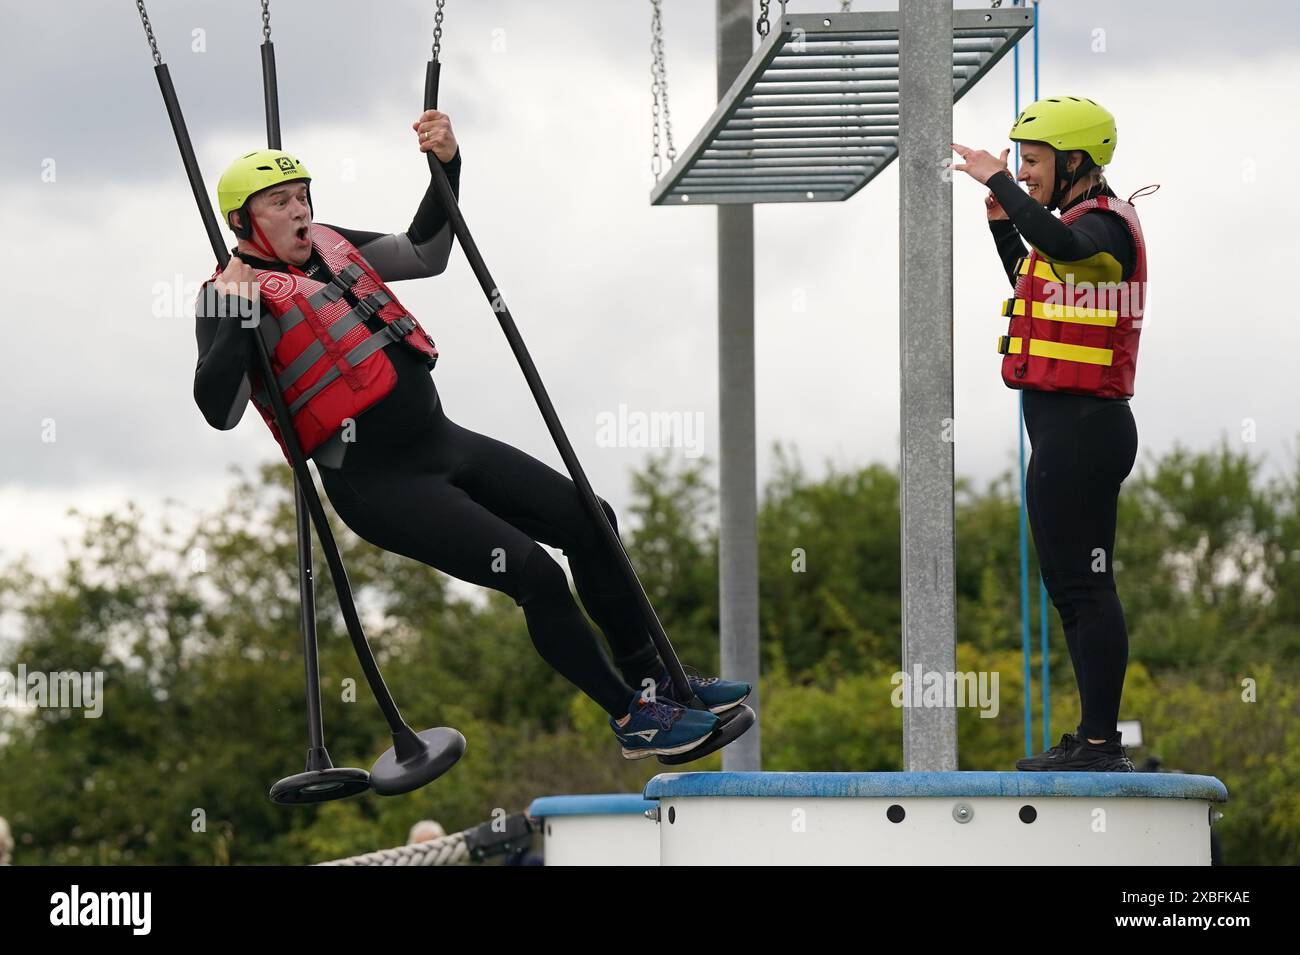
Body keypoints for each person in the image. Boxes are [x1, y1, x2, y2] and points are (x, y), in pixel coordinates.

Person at [192, 110, 749, 761]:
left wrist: (448, 164)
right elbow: (219, 408)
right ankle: (633, 717)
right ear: (241, 220)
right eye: (280, 202)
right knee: (535, 574)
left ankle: (659, 679)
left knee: (591, 519)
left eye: (303, 196)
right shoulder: (227, 296)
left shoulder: (333, 245)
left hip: (442, 443)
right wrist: (233, 315)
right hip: (379, 485)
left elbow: (427, 251)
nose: (299, 211)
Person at [952, 96, 1154, 772]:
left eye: (1032, 163)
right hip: (1065, 434)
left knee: (1088, 587)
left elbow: (1063, 245)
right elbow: (1034, 280)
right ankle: (1092, 735)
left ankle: (1101, 743)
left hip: (1084, 431)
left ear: (1075, 163)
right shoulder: (1073, 228)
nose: (1024, 172)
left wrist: (996, 181)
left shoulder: (1107, 228)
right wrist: (1004, 223)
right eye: (1020, 163)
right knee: (1070, 589)